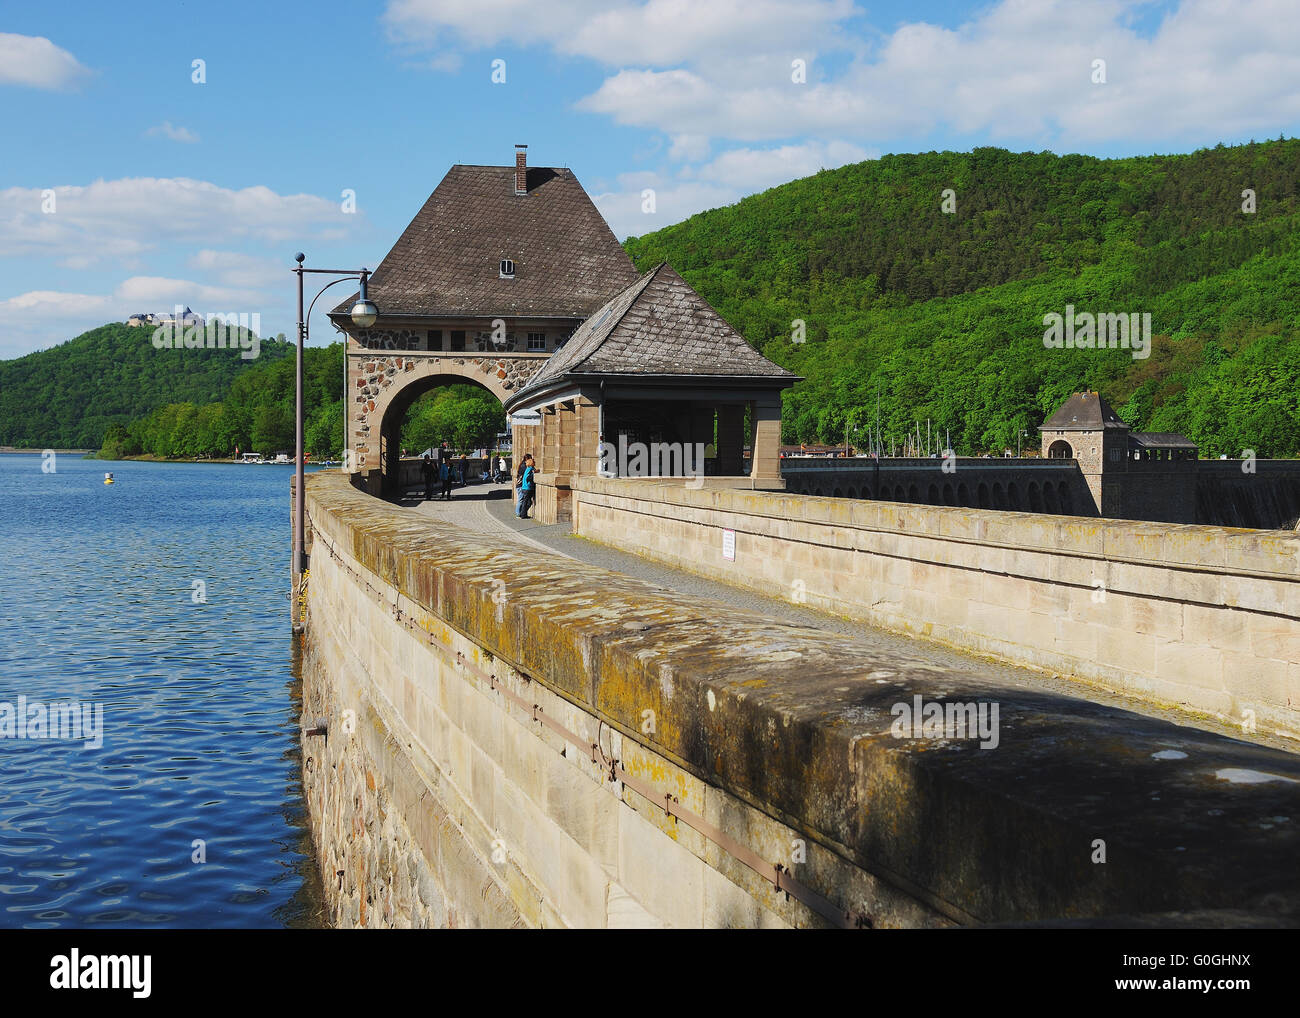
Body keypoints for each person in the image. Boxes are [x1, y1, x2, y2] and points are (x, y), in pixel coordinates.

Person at [516, 454, 536, 519]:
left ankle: (522, 514)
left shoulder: (527, 468)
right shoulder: (529, 469)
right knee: (525, 501)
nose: (535, 463)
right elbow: (528, 478)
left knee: (525, 501)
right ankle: (521, 514)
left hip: (524, 487)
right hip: (527, 488)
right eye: (534, 462)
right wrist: (531, 479)